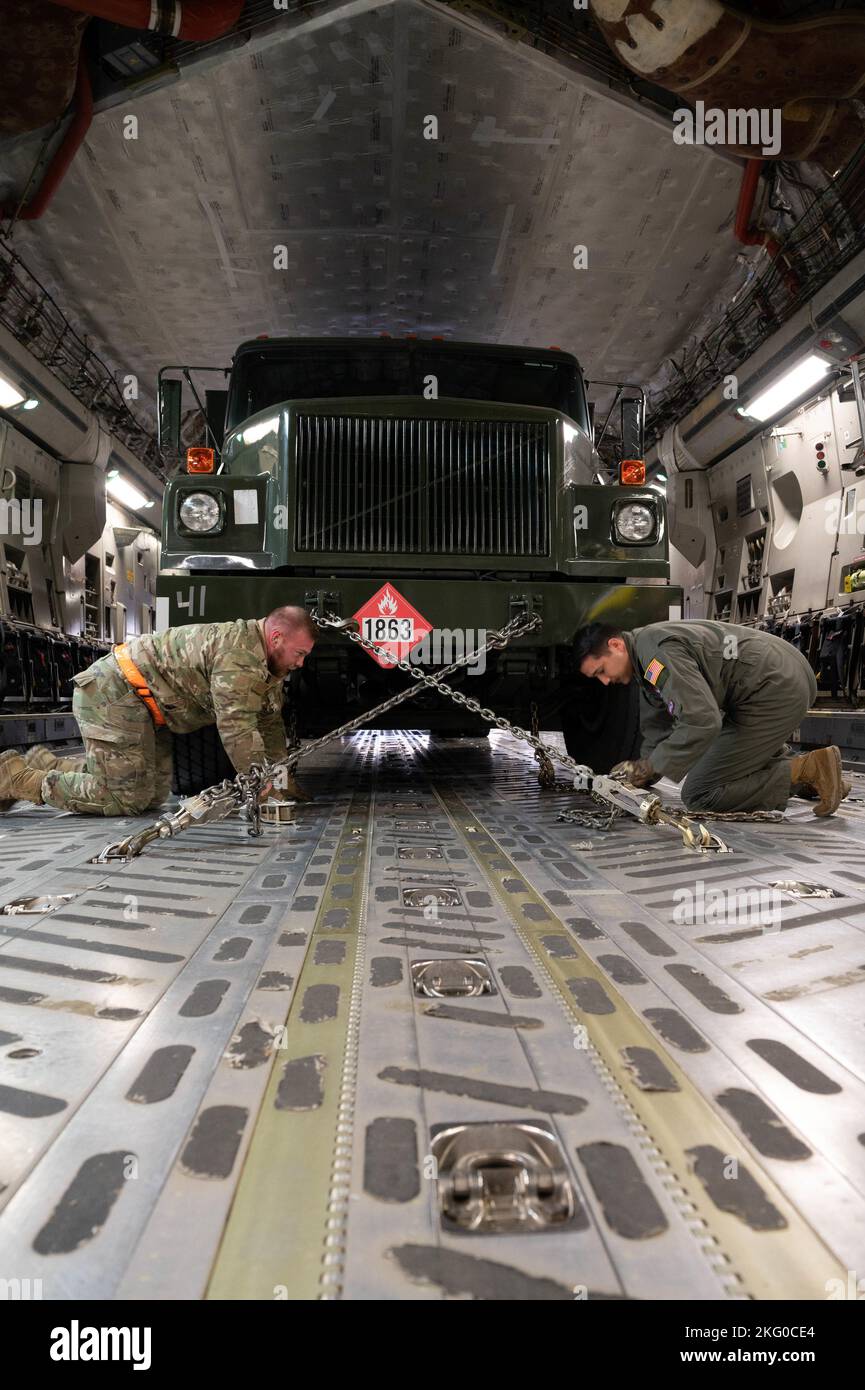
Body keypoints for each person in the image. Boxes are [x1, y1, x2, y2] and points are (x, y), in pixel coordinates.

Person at [0, 606, 316, 817]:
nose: (301, 663)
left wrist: (281, 780)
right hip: (116, 693)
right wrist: (262, 787)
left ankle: (49, 764)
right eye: (299, 653)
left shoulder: (267, 663)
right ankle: (20, 777)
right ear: (276, 638)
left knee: (152, 795)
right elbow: (237, 727)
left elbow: (269, 723)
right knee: (124, 798)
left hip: (147, 708)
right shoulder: (239, 655)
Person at [572, 619, 845, 817]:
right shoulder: (644, 654)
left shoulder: (655, 652)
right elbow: (658, 726)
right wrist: (640, 773)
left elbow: (701, 721)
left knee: (701, 793)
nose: (606, 682)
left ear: (616, 644)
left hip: (773, 687)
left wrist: (651, 766)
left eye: (601, 671)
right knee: (711, 761)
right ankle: (821, 780)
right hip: (779, 676)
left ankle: (809, 770)